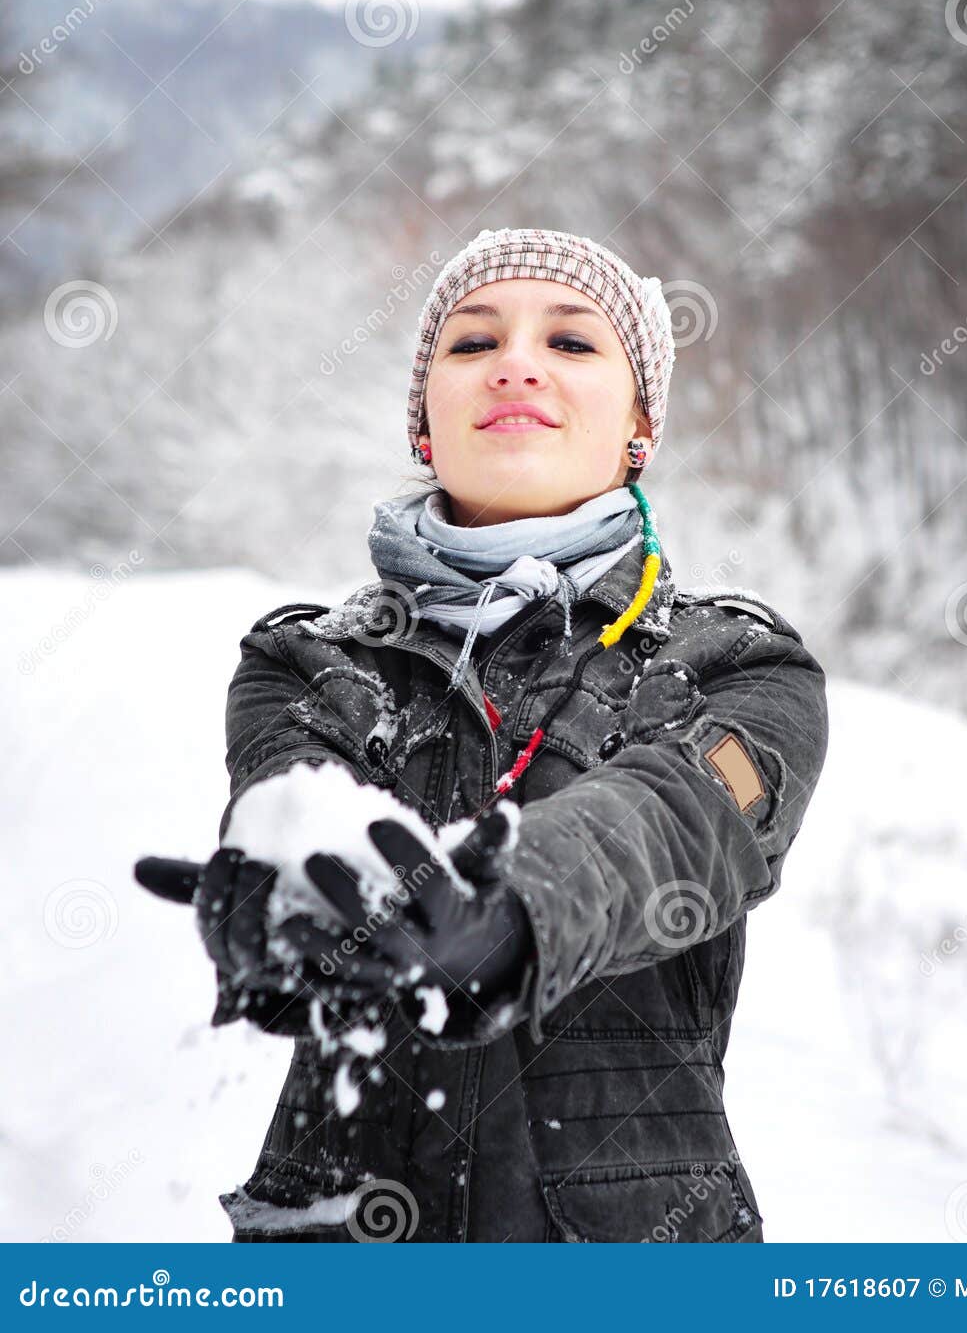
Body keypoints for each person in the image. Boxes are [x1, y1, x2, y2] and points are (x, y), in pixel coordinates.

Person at [137, 225, 829, 1242]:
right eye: (471, 344)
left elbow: (678, 818)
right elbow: (297, 798)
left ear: (642, 424)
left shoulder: (735, 662)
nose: (515, 362)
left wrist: (508, 910)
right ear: (424, 422)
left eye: (572, 343)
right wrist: (286, 903)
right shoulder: (309, 659)